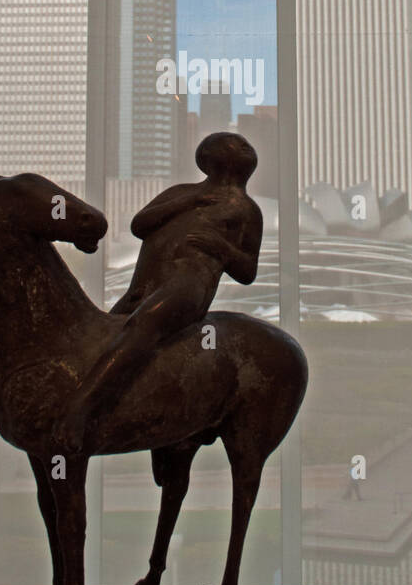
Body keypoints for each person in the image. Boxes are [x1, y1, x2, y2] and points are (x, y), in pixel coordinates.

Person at [60, 132, 263, 453]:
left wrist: (221, 248)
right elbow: (140, 225)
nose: (245, 147)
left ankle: (82, 409)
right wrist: (188, 201)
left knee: (142, 327)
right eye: (235, 145)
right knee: (103, 342)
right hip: (142, 286)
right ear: (210, 158)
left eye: (244, 144)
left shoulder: (247, 210)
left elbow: (248, 271)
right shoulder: (181, 193)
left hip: (187, 287)